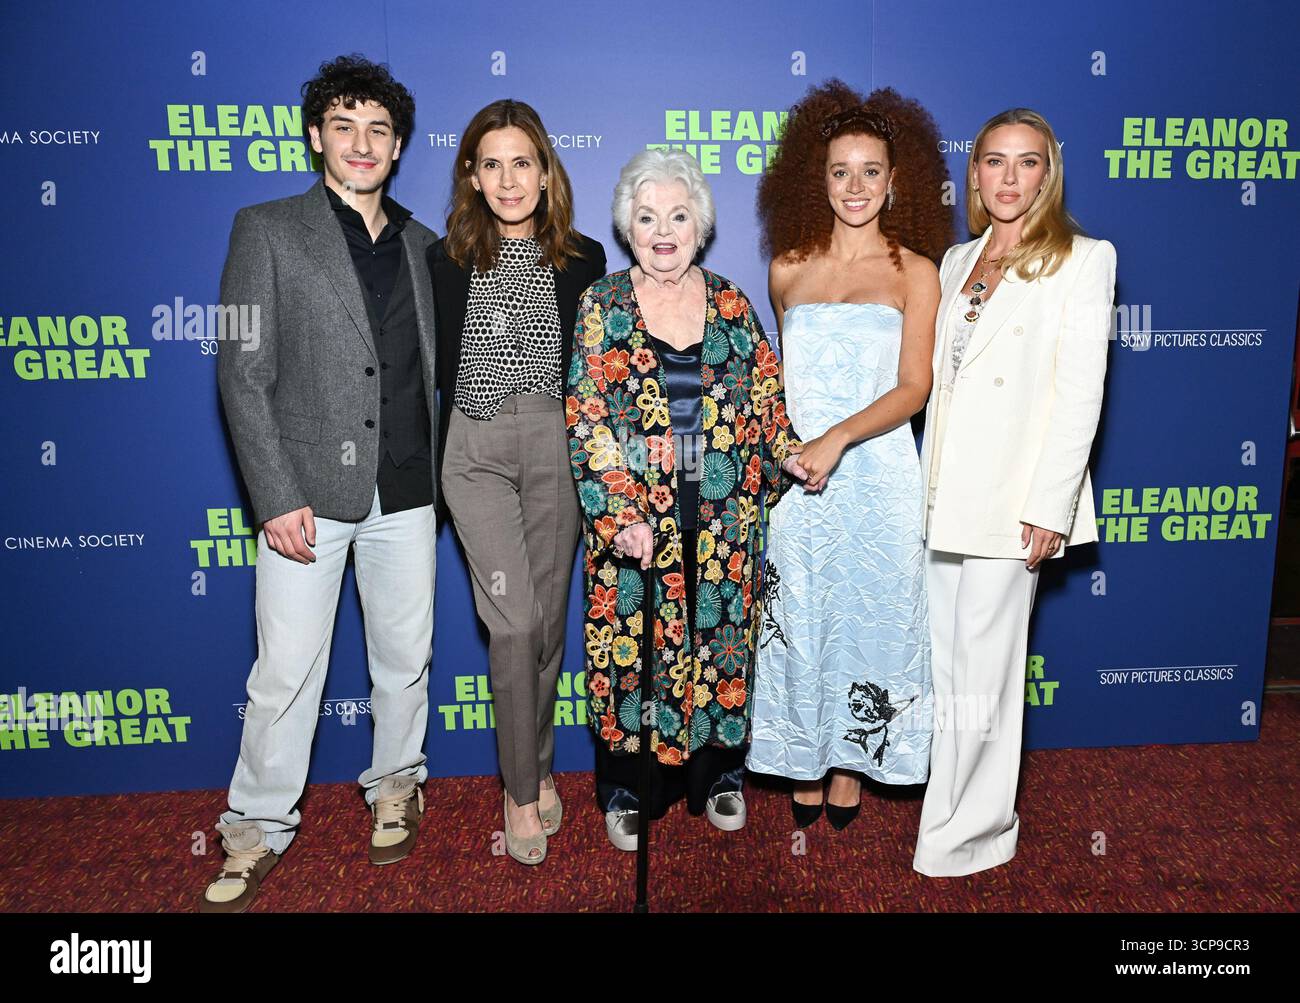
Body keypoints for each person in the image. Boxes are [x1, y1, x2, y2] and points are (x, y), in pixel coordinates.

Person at [204, 55, 439, 913]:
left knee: (404, 658)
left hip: (407, 488)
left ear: (399, 144)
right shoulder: (264, 226)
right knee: (287, 669)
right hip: (304, 494)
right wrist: (271, 493)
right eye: (344, 126)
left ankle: (396, 783)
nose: (361, 143)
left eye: (378, 129)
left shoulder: (423, 243)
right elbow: (241, 372)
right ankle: (257, 826)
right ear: (316, 137)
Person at [567, 148, 808, 851]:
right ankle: (628, 788)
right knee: (631, 658)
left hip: (723, 517)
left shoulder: (732, 301)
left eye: (678, 215)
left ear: (700, 225)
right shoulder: (602, 305)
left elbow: (765, 397)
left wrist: (790, 451)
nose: (663, 231)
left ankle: (720, 775)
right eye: (647, 217)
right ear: (627, 227)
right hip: (637, 521)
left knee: (720, 643)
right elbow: (587, 419)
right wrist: (620, 515)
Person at [913, 108, 1115, 876]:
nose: (1007, 176)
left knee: (988, 672)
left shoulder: (1083, 258)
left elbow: (1080, 394)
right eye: (993, 160)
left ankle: (967, 831)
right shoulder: (956, 259)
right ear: (974, 173)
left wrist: (1050, 505)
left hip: (1012, 500)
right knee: (947, 669)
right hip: (943, 495)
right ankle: (966, 815)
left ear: (1048, 172)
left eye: (1026, 162)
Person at [748, 82, 950, 830]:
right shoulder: (787, 268)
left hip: (878, 477)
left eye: (871, 170)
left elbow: (914, 387)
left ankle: (848, 761)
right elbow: (787, 382)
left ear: (896, 180)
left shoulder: (915, 271)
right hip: (801, 481)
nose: (856, 186)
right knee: (802, 615)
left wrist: (838, 437)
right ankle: (804, 751)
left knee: (870, 621)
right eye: (841, 171)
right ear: (818, 178)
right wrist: (798, 448)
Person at [428, 99, 606, 866]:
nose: (508, 179)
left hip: (557, 449)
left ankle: (534, 764)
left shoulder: (585, 258)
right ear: (472, 174)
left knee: (545, 629)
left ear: (545, 172)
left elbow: (598, 374)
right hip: (474, 450)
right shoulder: (442, 260)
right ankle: (520, 789)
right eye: (491, 164)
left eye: (521, 163)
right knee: (512, 623)